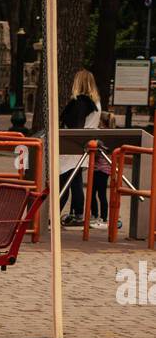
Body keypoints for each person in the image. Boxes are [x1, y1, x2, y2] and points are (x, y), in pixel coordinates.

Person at [59, 70, 101, 227]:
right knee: (75, 180)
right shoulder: (96, 103)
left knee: (64, 181)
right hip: (87, 145)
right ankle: (78, 213)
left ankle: (57, 214)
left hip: (73, 146)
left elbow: (74, 126)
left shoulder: (80, 102)